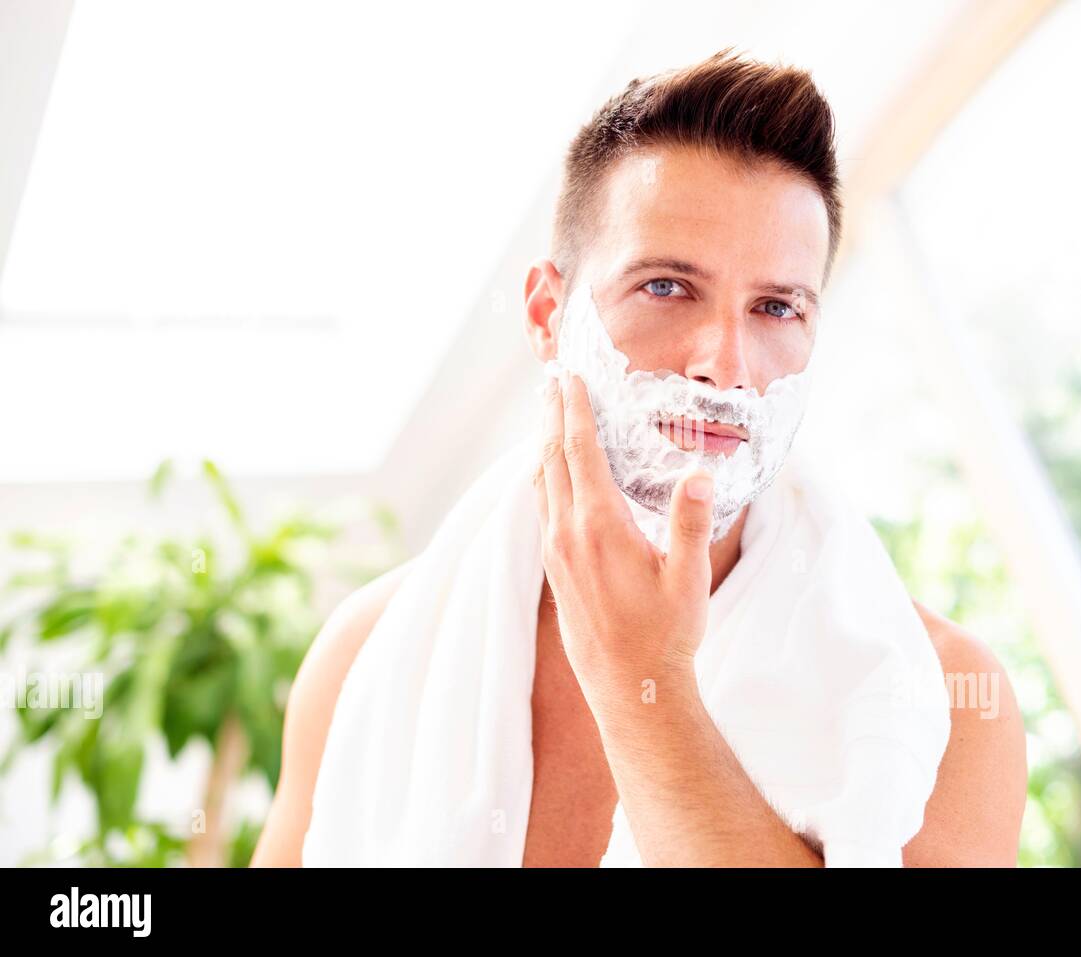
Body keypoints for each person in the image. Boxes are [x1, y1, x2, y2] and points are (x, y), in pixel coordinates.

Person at [252, 49, 1026, 868]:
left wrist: (642, 687)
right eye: (666, 286)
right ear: (548, 315)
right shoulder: (366, 655)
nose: (724, 363)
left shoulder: (938, 706)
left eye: (775, 307)